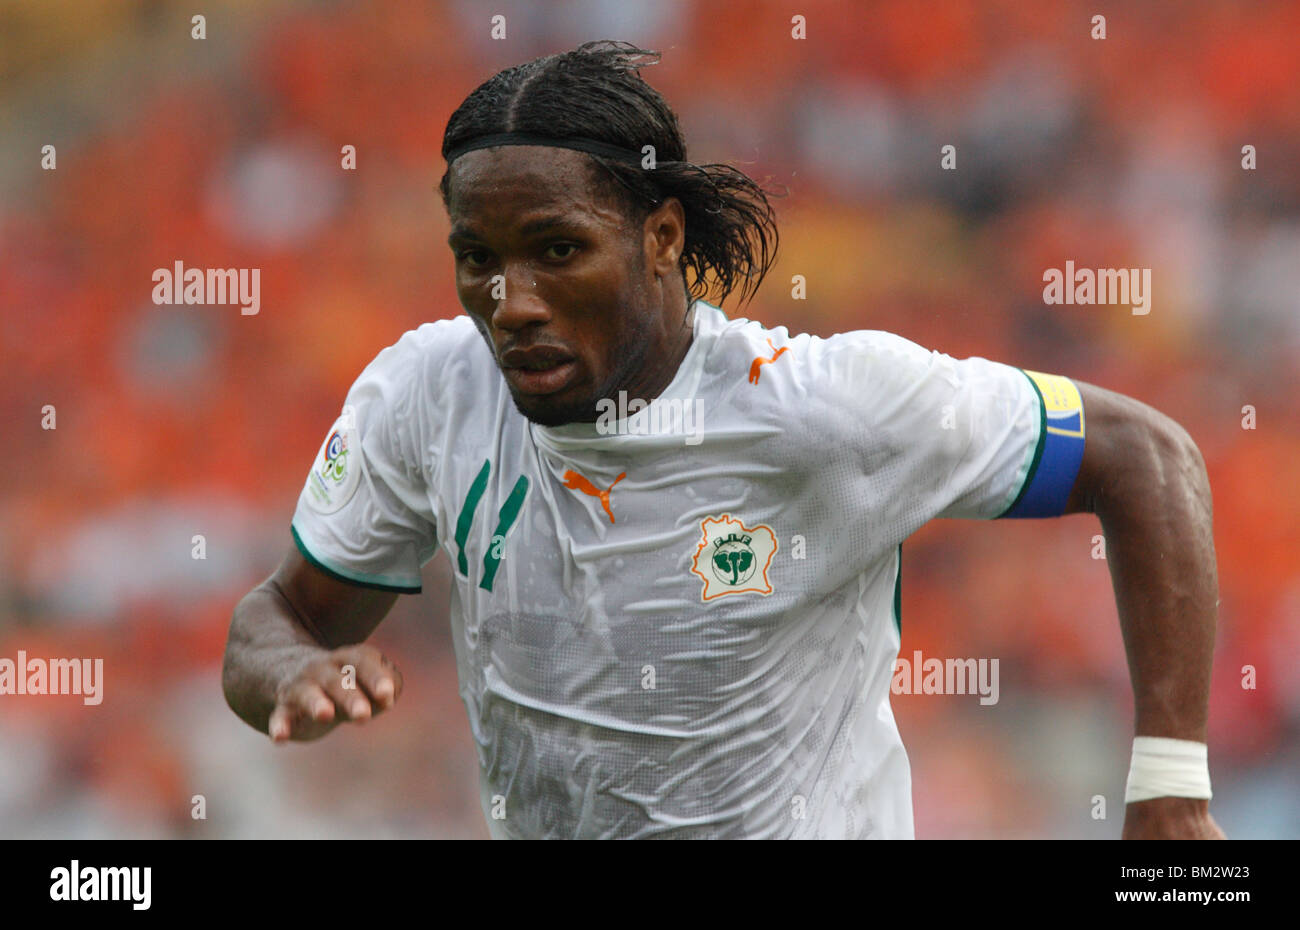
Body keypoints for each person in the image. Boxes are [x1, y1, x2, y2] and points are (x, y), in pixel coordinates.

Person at [222, 41, 1223, 839]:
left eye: (557, 250)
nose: (510, 301)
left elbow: (1145, 457)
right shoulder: (428, 392)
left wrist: (1170, 785)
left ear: (660, 237)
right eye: (476, 259)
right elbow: (276, 619)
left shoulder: (823, 409)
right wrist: (296, 671)